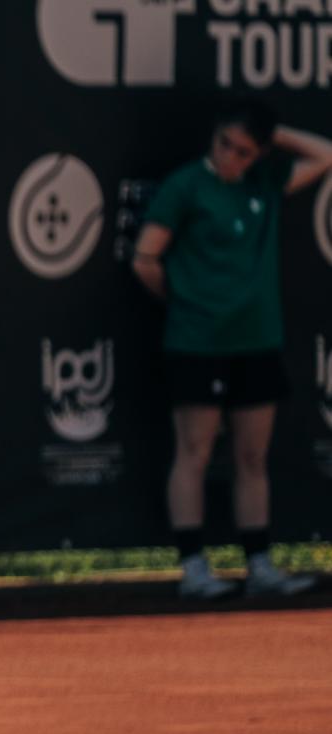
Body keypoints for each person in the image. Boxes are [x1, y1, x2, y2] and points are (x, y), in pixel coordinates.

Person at [133, 99, 332, 600]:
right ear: (213, 137)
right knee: (195, 451)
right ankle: (193, 568)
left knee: (251, 456)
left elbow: (325, 155)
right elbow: (145, 259)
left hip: (257, 341)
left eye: (244, 150)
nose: (230, 156)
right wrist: (188, 303)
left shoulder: (265, 182)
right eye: (225, 143)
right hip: (197, 343)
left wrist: (275, 136)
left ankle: (260, 566)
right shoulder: (185, 186)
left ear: (259, 154)